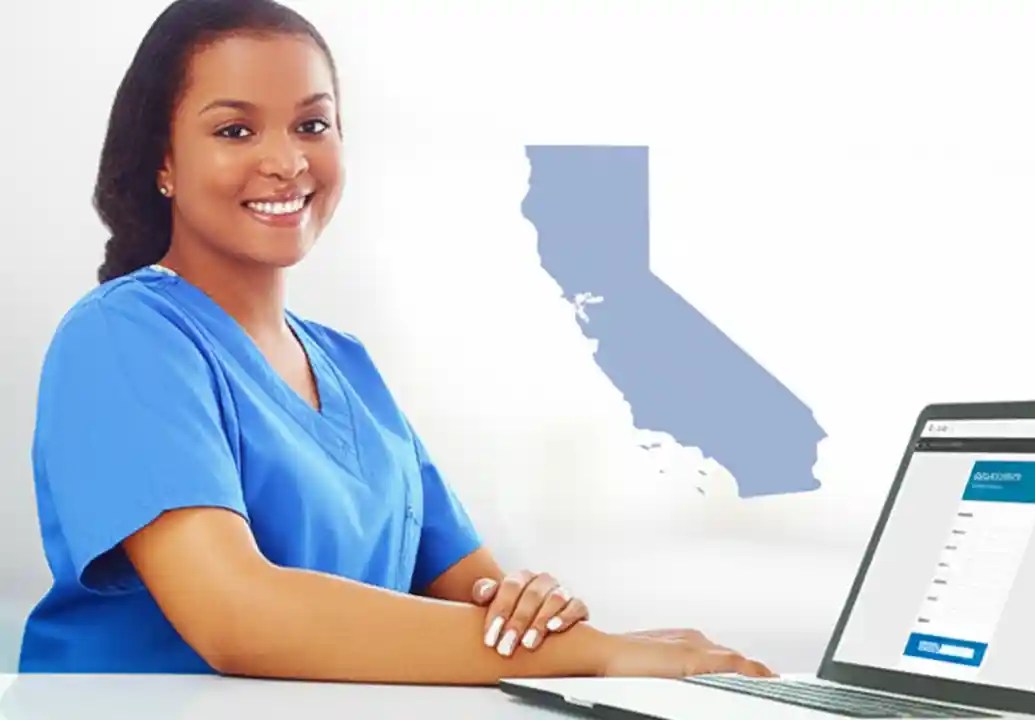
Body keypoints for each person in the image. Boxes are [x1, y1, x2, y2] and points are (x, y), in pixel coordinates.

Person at [18, 0, 774, 684]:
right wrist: (606, 654)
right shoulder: (120, 338)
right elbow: (237, 618)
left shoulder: (348, 369)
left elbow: (484, 605)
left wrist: (544, 613)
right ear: (162, 162)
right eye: (235, 129)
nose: (286, 160)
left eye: (312, 124)